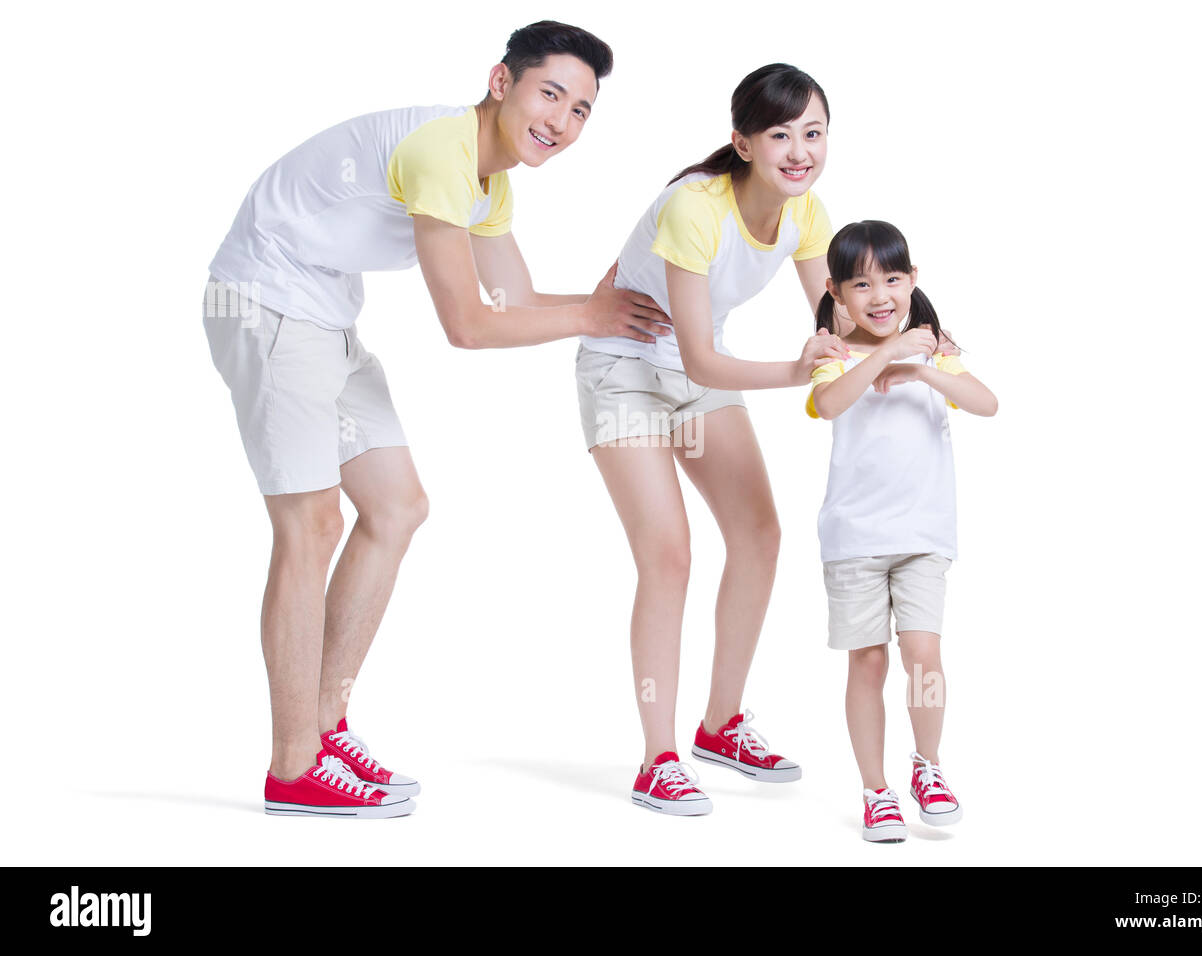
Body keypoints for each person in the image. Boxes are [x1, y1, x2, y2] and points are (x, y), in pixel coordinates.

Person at [204, 21, 668, 818]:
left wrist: (605, 307)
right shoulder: (440, 152)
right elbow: (468, 326)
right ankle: (292, 767)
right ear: (501, 82)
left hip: (322, 315)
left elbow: (514, 300)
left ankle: (324, 721)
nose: (560, 122)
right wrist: (590, 316)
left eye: (581, 110)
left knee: (396, 507)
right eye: (549, 93)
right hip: (266, 306)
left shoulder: (491, 184)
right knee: (311, 525)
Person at [575, 63, 848, 815]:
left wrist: (910, 341)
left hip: (700, 367)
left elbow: (838, 324)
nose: (800, 151)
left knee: (758, 533)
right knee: (669, 553)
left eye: (814, 133)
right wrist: (800, 374)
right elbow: (698, 356)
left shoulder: (806, 212)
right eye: (780, 135)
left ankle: (722, 725)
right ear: (743, 141)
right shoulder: (695, 207)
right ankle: (657, 758)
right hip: (626, 368)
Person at [806, 220, 998, 842]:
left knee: (924, 657)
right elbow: (829, 406)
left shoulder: (935, 350)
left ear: (913, 281)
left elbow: (986, 402)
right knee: (867, 663)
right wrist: (886, 353)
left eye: (892, 278)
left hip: (923, 537)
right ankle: (874, 790)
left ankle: (929, 768)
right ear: (837, 293)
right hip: (855, 540)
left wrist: (922, 367)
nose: (880, 294)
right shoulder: (832, 355)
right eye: (861, 283)